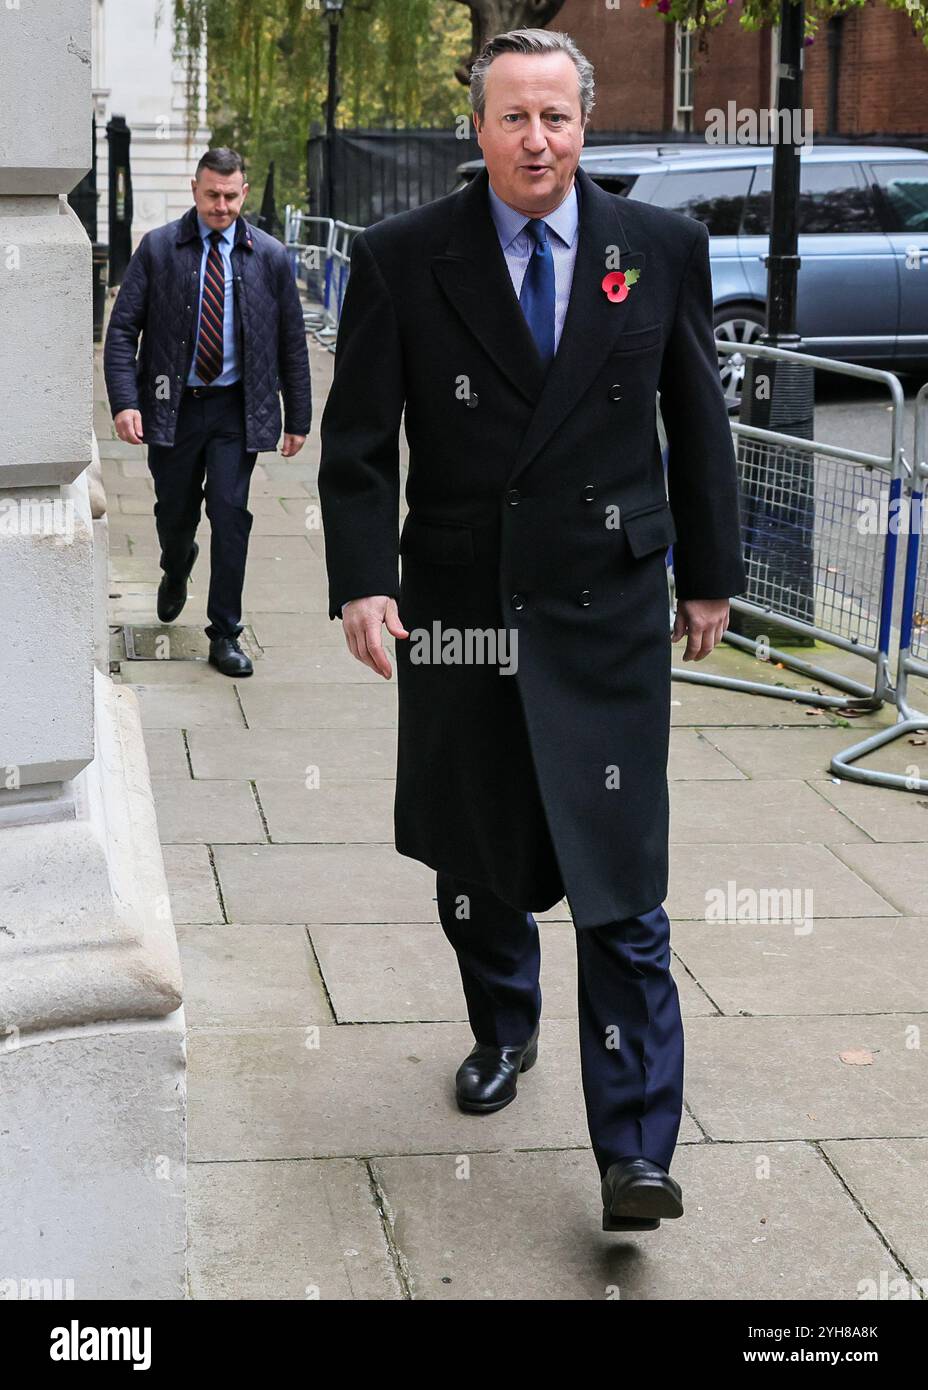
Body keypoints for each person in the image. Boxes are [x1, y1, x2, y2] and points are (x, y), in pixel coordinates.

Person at [318, 29, 746, 1233]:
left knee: (621, 883)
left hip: (606, 608)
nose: (536, 139)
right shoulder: (406, 258)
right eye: (514, 117)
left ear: (584, 123)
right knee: (479, 854)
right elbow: (357, 446)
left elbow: (696, 419)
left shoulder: (657, 248)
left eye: (555, 116)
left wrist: (708, 575)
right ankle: (503, 1027)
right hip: (462, 611)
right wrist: (361, 580)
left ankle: (634, 1148)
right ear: (478, 127)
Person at [103, 147, 311, 676]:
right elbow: (123, 331)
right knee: (174, 514)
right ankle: (176, 566)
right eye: (212, 195)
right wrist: (126, 402)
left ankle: (225, 633)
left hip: (236, 410)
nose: (221, 205)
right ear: (195, 191)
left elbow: (292, 341)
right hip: (172, 407)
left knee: (230, 514)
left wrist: (299, 417)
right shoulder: (159, 249)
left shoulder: (270, 256)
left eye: (231, 195)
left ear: (243, 192)